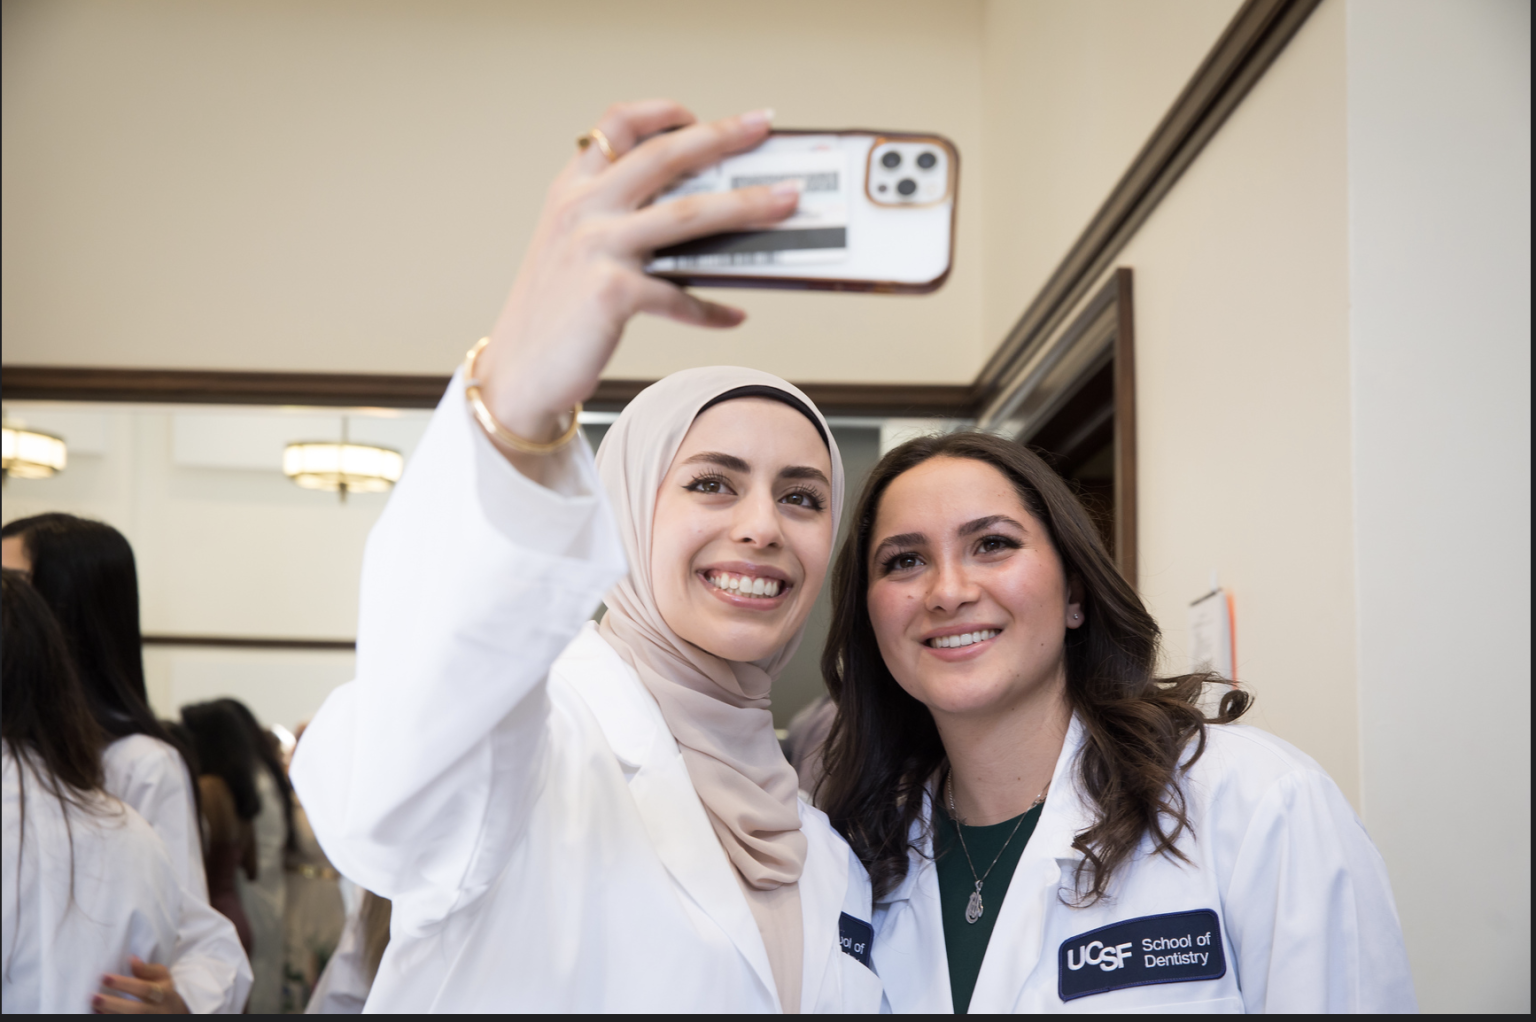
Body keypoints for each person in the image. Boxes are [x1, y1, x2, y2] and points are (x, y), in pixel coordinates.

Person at [290, 100, 882, 1011]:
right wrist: (516, 402)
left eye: (803, 498)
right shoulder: (537, 743)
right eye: (713, 484)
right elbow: (388, 794)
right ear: (624, 510)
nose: (764, 526)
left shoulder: (824, 851)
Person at [816, 431, 1418, 1013]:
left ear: (1075, 593)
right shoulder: (853, 861)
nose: (946, 592)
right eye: (904, 561)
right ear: (871, 618)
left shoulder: (1256, 802)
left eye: (993, 544)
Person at [1, 514, 252, 1012]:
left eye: (13, 583)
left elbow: (199, 938)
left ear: (65, 607)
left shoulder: (140, 762)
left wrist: (177, 999)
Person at [216, 700, 294, 1014]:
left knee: (258, 978)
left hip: (254, 892)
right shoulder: (263, 777)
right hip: (266, 890)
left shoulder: (254, 783)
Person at [181, 701, 262, 955]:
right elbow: (251, 868)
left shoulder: (205, 790)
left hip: (208, 920)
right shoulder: (239, 796)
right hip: (236, 915)